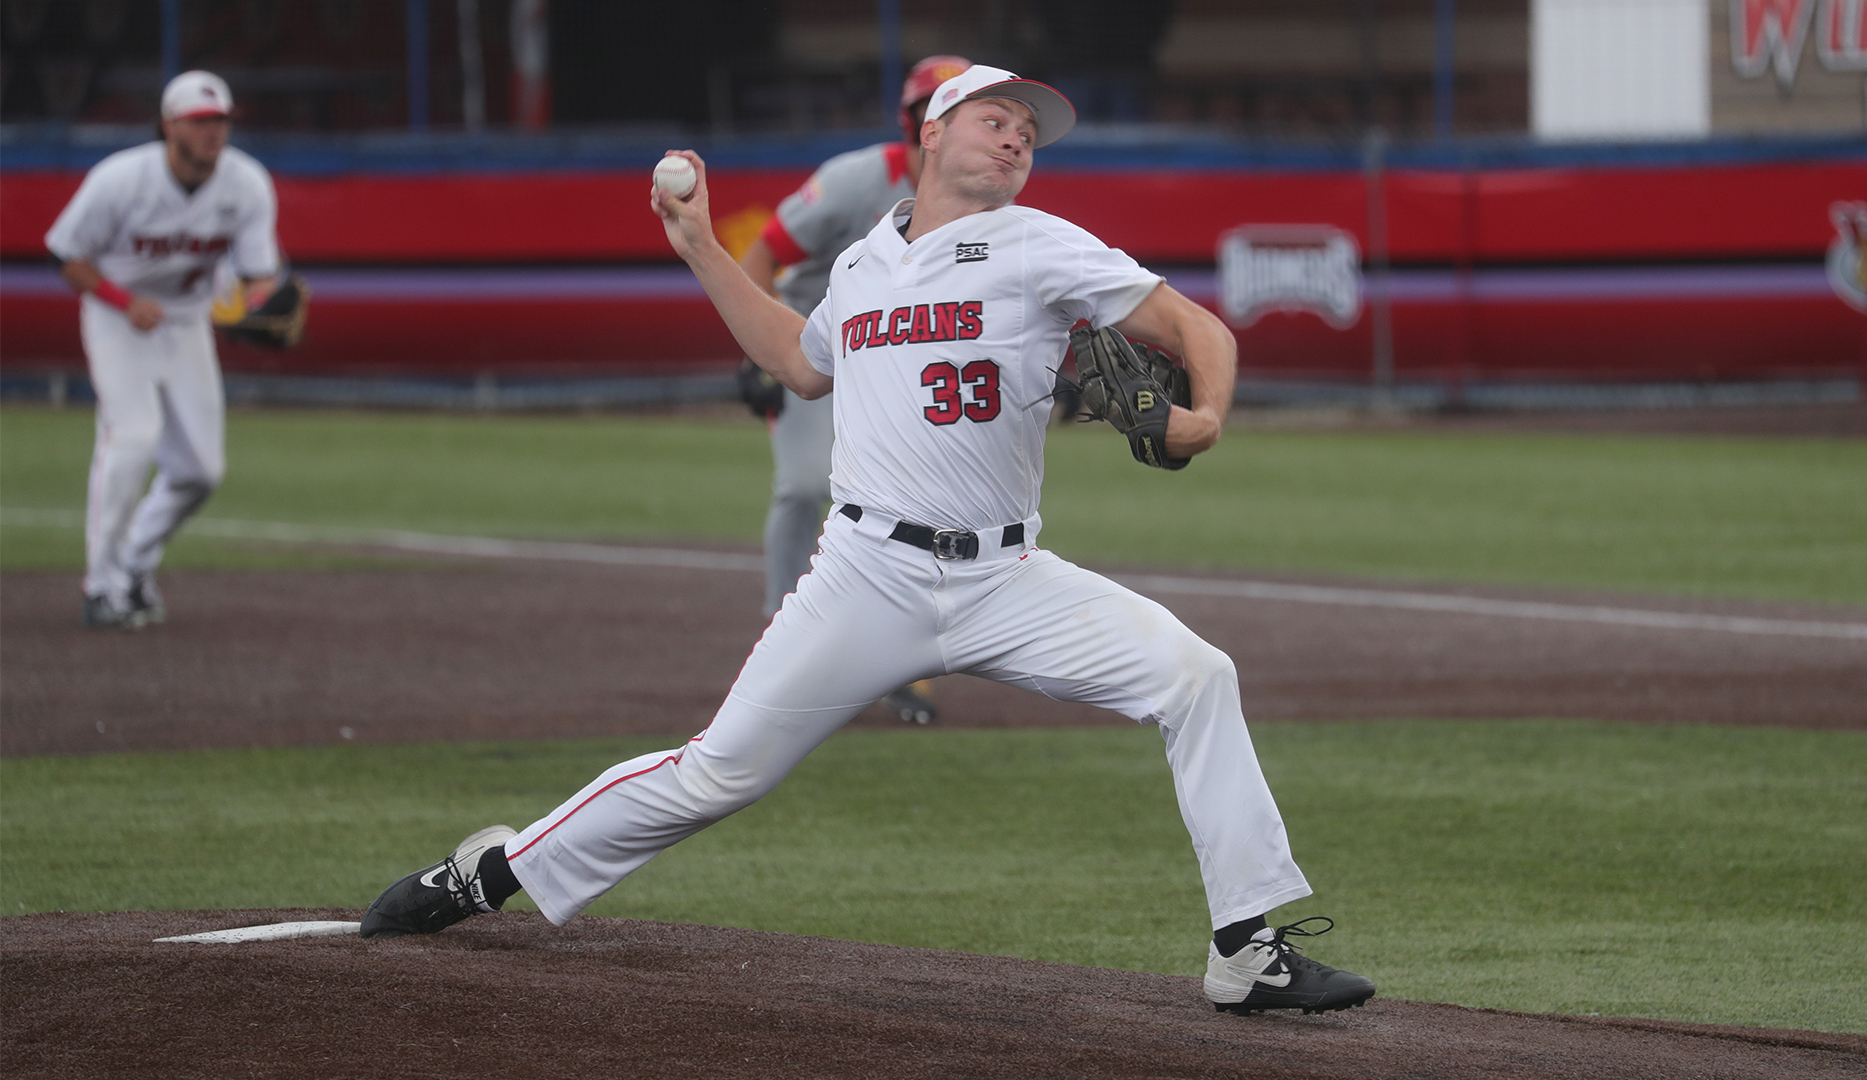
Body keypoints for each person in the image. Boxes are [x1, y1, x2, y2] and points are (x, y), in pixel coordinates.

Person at [361, 65, 1375, 1017]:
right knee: (719, 773)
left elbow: (1204, 332)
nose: (1018, 137)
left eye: (1031, 131)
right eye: (997, 119)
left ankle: (1247, 951)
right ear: (932, 135)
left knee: (1198, 677)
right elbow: (800, 367)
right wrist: (700, 248)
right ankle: (487, 872)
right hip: (867, 576)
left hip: (1009, 576)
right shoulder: (858, 265)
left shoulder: (1039, 242)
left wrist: (1203, 418)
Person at [737, 53, 972, 726]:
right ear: (915, 124)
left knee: (933, 506)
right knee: (803, 487)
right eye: (940, 113)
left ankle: (907, 666)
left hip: (904, 369)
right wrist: (759, 353)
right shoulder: (852, 181)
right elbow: (763, 254)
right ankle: (781, 642)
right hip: (820, 355)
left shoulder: (982, 200)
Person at [44, 70, 283, 628]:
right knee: (133, 437)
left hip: (187, 322)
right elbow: (65, 256)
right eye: (201, 122)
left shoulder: (246, 184)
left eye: (221, 121)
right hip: (118, 317)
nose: (213, 133)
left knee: (201, 469)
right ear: (169, 124)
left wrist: (257, 306)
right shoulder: (122, 179)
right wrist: (122, 300)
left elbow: (259, 275)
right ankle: (100, 586)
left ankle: (133, 569)